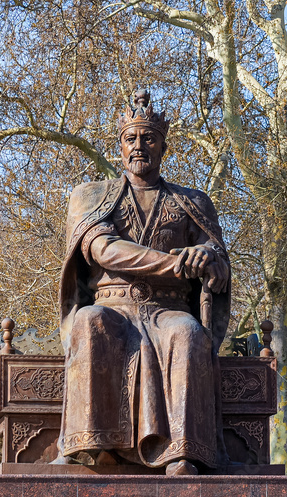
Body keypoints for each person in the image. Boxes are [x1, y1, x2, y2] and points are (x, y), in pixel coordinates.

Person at [55, 89, 231, 475]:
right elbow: (104, 250)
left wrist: (207, 258)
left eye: (148, 138)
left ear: (163, 146)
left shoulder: (194, 202)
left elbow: (218, 264)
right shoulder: (91, 196)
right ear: (120, 146)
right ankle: (97, 445)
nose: (139, 146)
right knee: (91, 322)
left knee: (186, 335)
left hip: (170, 309)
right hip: (113, 305)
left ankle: (182, 452)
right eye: (130, 139)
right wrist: (178, 263)